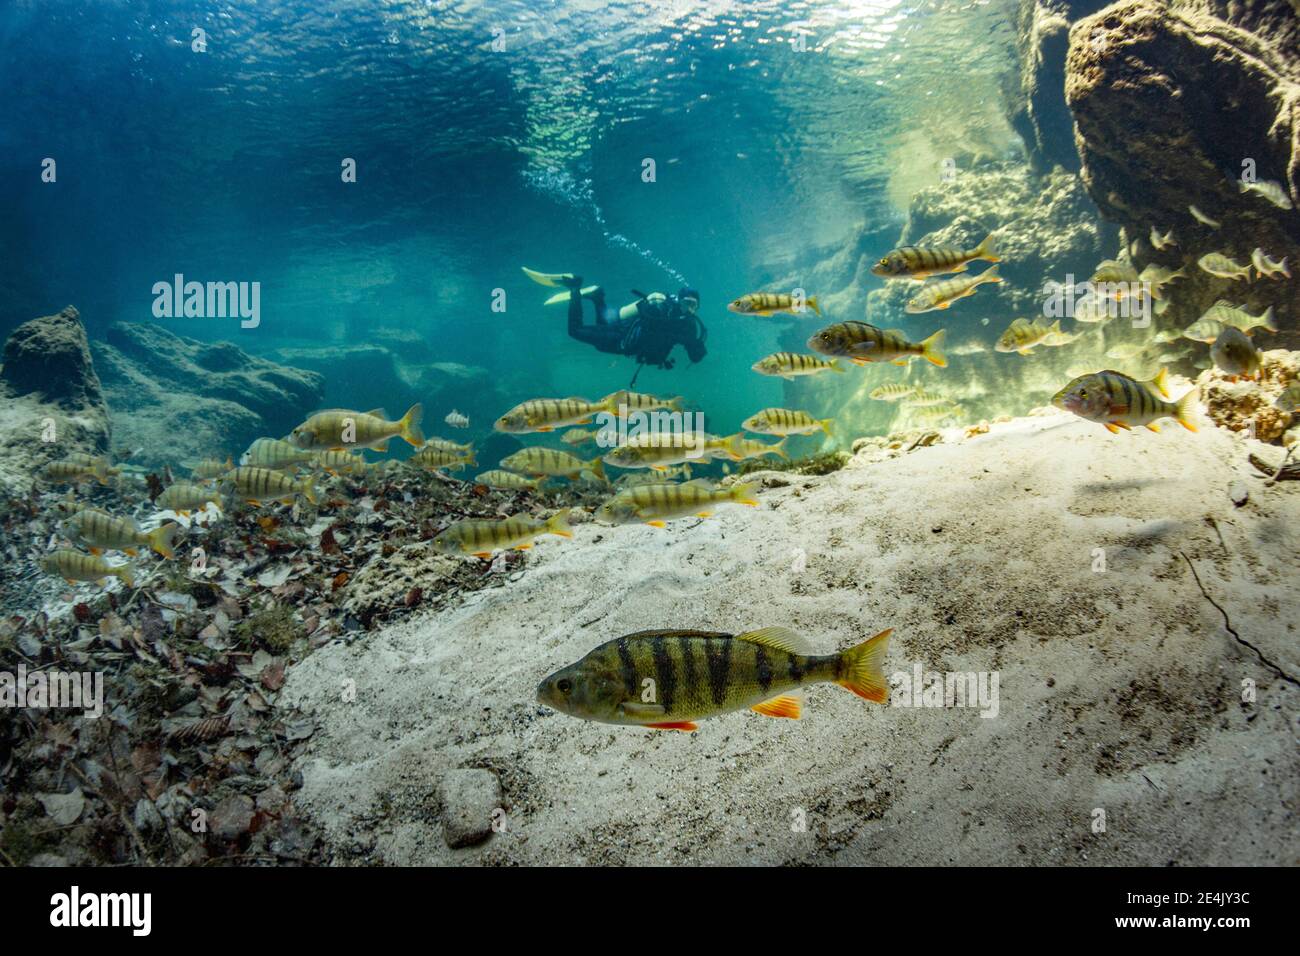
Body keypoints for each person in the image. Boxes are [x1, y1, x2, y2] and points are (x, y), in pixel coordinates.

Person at [523, 268, 707, 377]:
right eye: (686, 303)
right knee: (575, 331)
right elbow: (648, 324)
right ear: (678, 300)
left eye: (694, 305)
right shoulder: (662, 309)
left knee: (603, 325)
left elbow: (694, 356)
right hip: (620, 338)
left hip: (622, 340)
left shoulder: (689, 327)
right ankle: (575, 288)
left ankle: (597, 296)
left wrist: (697, 348)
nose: (689, 309)